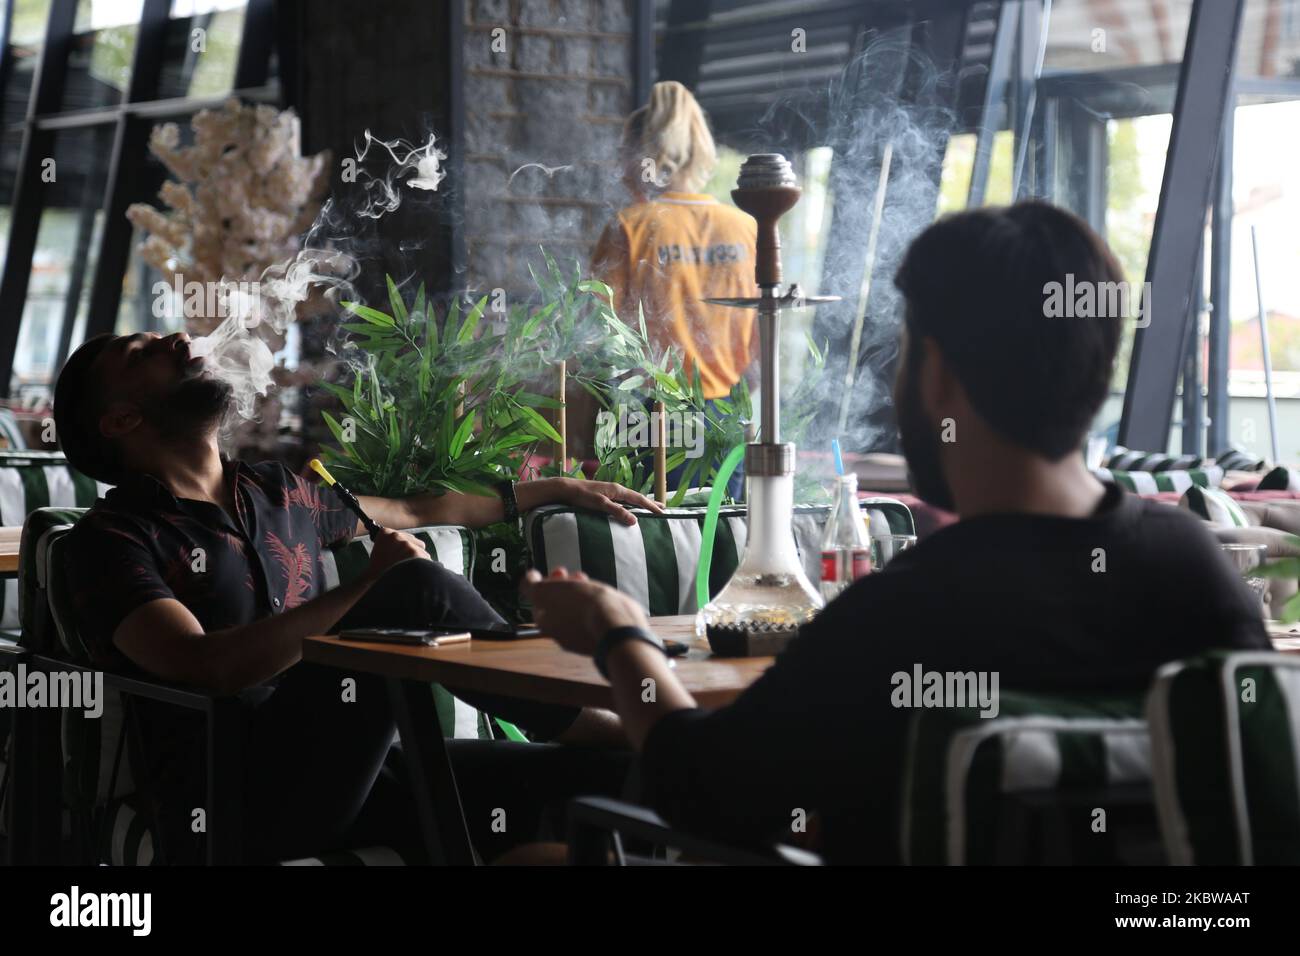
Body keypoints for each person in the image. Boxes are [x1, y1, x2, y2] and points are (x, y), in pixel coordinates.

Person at [525, 202, 1273, 864]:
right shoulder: (1194, 571)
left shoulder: (908, 612)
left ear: (939, 376)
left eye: (908, 352)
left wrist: (618, 635)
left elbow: (698, 785)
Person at [52, 330, 660, 863]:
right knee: (412, 587)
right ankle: (615, 715)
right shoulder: (109, 540)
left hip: (353, 777)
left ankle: (629, 742)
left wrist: (552, 487)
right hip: (237, 803)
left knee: (616, 776)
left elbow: (417, 509)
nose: (176, 341)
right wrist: (371, 585)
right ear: (122, 420)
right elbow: (205, 665)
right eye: (141, 355)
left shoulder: (276, 491)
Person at [586, 80, 758, 496]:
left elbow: (596, 333)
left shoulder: (630, 225)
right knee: (717, 544)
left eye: (623, 153)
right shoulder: (746, 226)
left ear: (640, 154)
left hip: (651, 414)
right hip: (726, 412)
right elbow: (759, 338)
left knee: (655, 547)